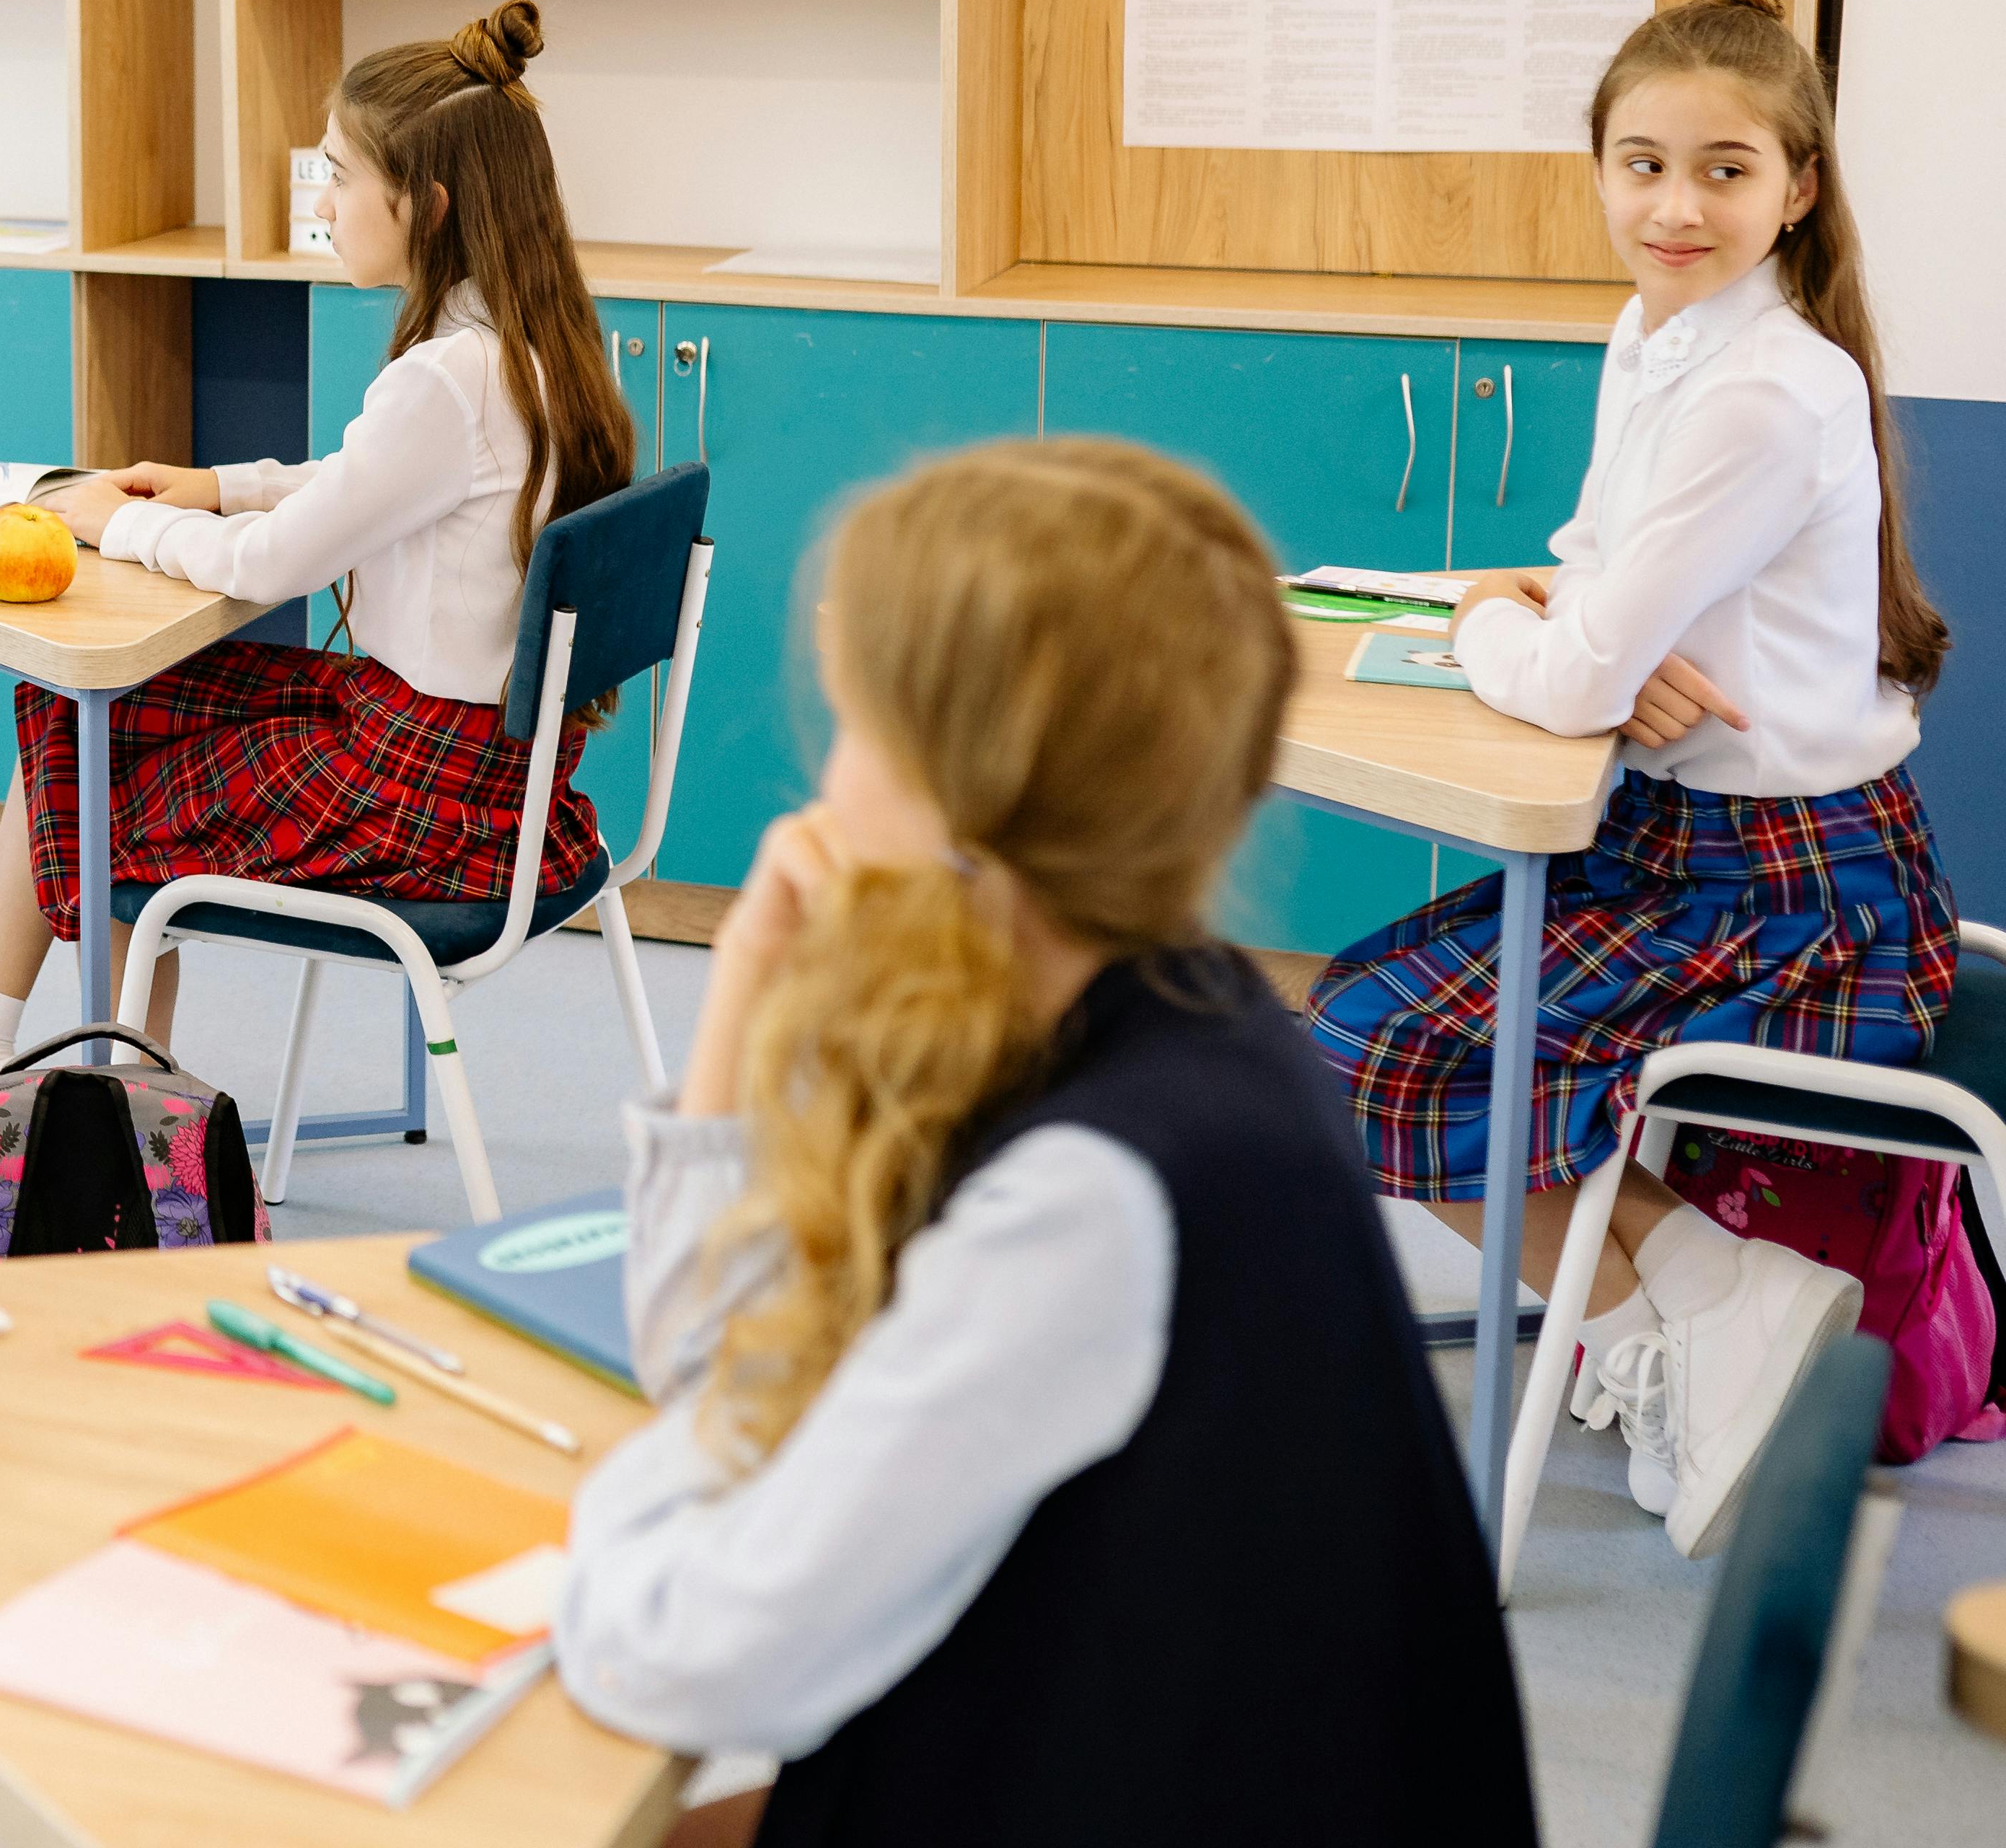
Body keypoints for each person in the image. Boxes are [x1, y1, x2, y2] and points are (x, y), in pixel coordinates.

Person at [551, 439, 1534, 1847]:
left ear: (971, 783)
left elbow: (696, 1654)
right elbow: (717, 1358)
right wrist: (749, 979)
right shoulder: (1179, 1005)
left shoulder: (1095, 1191)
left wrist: (591, 1519)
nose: (824, 777)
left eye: (858, 726)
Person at [1306, 0, 1956, 1557]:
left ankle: (1707, 1305)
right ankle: (1680, 1317)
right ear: (1598, 166)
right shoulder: (1654, 331)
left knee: (1367, 1040)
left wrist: (1496, 624)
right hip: (1677, 842)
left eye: (1723, 171)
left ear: (1796, 188)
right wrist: (1587, 631)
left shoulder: (1766, 389)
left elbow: (1580, 652)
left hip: (1794, 890)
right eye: (1643, 163)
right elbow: (1598, 573)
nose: (1675, 205)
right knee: (1357, 1023)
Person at [0, 0, 637, 1155]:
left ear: (425, 207)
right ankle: (83, 1074)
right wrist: (212, 484)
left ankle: (4, 1059)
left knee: (91, 750)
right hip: (481, 767)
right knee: (94, 713)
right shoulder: (530, 349)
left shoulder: (444, 380)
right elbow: (359, 485)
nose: (323, 205)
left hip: (414, 794)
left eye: (338, 178)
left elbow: (278, 566)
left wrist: (112, 521)